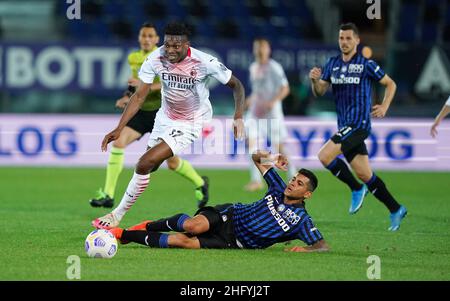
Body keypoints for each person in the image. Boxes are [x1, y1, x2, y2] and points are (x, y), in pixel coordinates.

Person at [92, 21, 246, 229]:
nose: (171, 50)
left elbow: (237, 85)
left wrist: (238, 116)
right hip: (164, 118)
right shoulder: (155, 59)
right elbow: (138, 97)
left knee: (143, 163)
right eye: (167, 45)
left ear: (186, 44)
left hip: (191, 122)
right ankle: (200, 182)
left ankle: (116, 215)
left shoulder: (204, 61)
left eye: (176, 46)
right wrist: (119, 128)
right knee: (150, 167)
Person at [109, 150, 329, 253]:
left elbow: (322, 246)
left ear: (307, 194)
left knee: (182, 242)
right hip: (230, 215)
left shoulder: (302, 221)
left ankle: (127, 236)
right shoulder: (278, 187)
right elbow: (255, 157)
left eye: (299, 184)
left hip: (234, 243)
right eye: (294, 179)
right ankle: (130, 231)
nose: (292, 184)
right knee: (193, 226)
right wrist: (271, 159)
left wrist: (306, 250)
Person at [89, 22, 210, 209]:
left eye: (150, 36)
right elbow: (135, 88)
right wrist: (126, 97)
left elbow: (169, 83)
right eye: (143, 36)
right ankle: (108, 194)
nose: (146, 39)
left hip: (162, 113)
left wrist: (144, 86)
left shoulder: (164, 56)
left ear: (156, 39)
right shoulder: (134, 58)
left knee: (171, 163)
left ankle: (200, 183)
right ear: (139, 38)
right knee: (119, 143)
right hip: (142, 111)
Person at [309, 23, 407, 231]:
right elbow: (320, 91)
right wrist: (314, 81)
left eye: (348, 38)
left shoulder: (366, 64)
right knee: (366, 174)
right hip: (345, 125)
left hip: (359, 124)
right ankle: (396, 209)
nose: (344, 42)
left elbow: (391, 84)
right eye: (341, 38)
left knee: (324, 156)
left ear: (357, 40)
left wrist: (385, 106)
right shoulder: (332, 63)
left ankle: (355, 189)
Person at [244, 38, 297, 192]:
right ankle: (256, 180)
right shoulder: (253, 67)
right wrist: (251, 98)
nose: (260, 50)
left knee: (279, 146)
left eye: (263, 47)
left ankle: (292, 174)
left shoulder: (274, 67)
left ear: (268, 49)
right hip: (255, 112)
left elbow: (285, 88)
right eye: (257, 47)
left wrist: (273, 101)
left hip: (272, 113)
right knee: (251, 142)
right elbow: (257, 89)